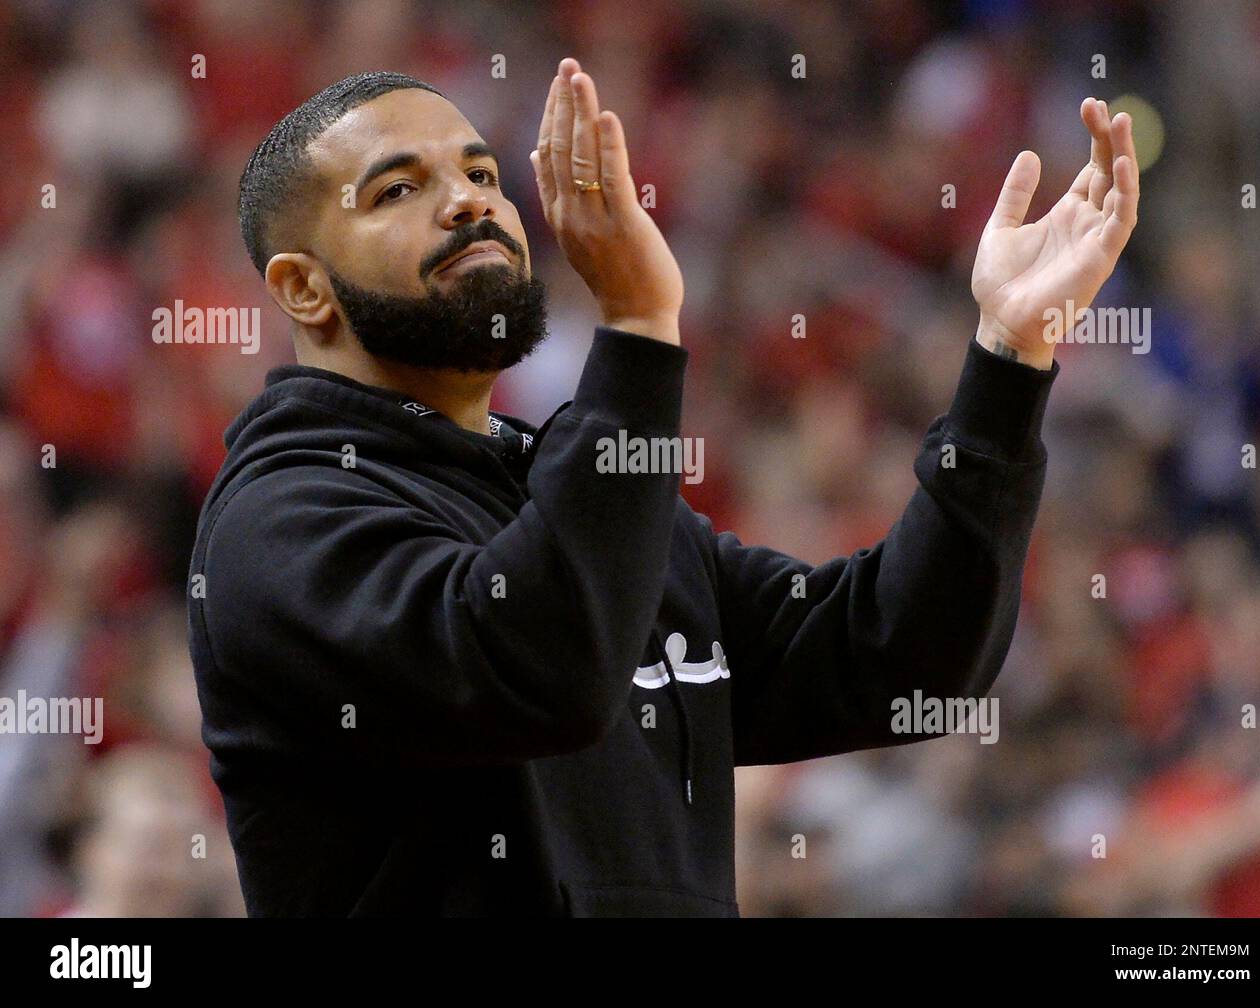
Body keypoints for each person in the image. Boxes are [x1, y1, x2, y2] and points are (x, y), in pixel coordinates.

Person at [187, 58, 1139, 916]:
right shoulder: (280, 521)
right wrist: (639, 324)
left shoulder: (572, 498)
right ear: (304, 289)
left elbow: (899, 660)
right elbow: (541, 668)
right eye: (398, 187)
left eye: (482, 174)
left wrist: (1007, 361)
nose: (470, 203)